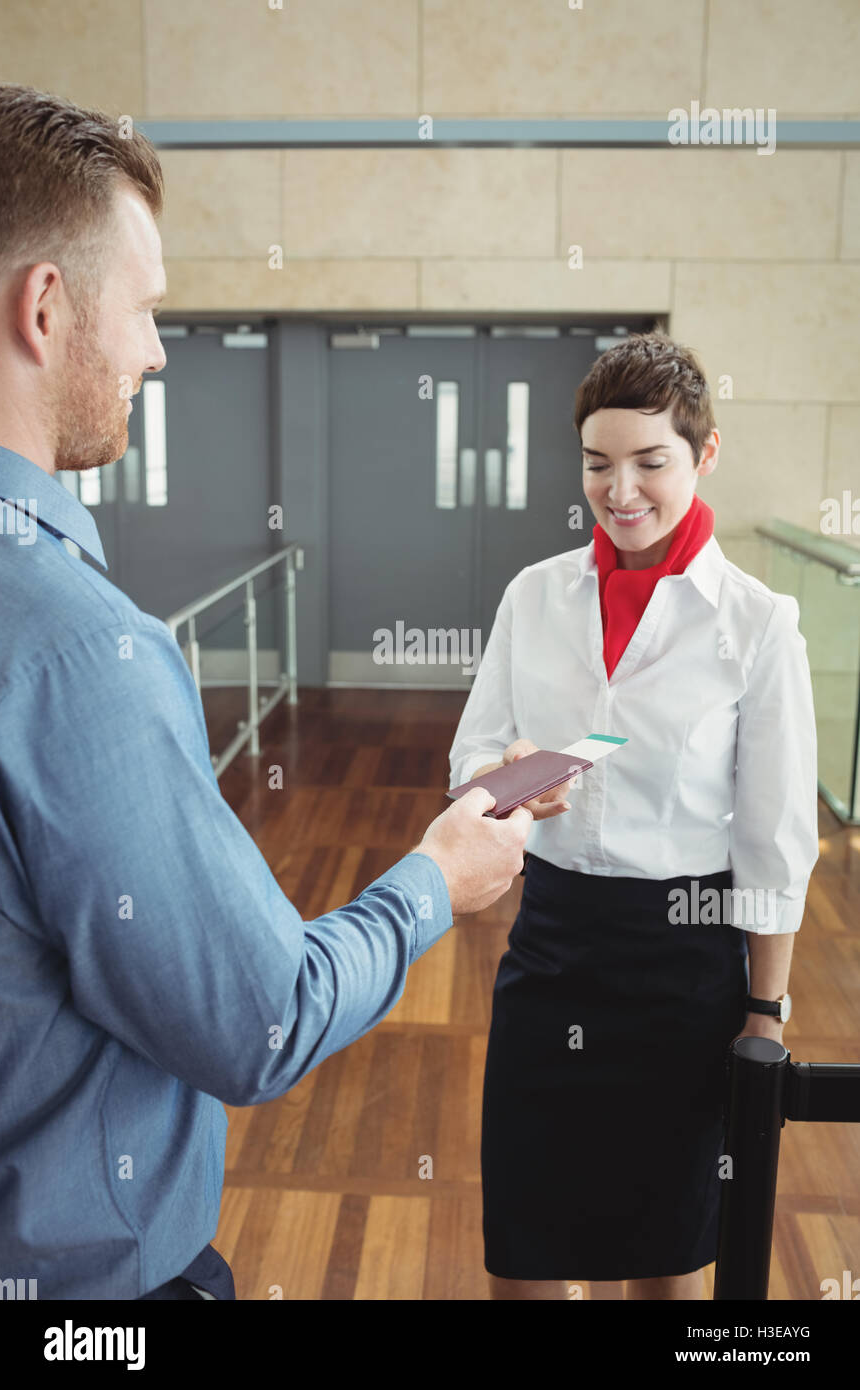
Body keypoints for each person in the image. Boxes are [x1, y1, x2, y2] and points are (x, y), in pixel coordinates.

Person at [0, 82, 531, 1300]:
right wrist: (435, 879)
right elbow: (259, 1017)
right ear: (43, 306)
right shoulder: (79, 654)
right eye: (144, 310)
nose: (153, 350)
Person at [448, 330, 820, 1301]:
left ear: (702, 454)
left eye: (649, 463)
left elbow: (772, 840)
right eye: (598, 464)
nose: (620, 491)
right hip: (553, 946)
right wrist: (505, 779)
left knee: (666, 1260)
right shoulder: (533, 596)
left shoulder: (755, 623)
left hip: (684, 966)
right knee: (525, 1253)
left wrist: (762, 1011)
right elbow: (470, 753)